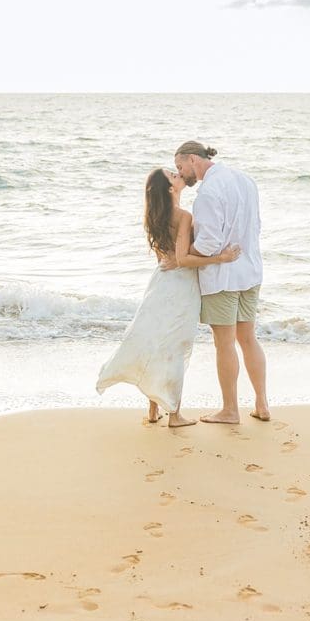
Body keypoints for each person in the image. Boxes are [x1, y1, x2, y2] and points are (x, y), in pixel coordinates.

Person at [96, 167, 241, 427]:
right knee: (175, 347)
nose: (178, 175)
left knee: (156, 340)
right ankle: (175, 414)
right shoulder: (183, 216)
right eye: (173, 175)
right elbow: (184, 259)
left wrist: (178, 258)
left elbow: (171, 257)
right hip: (181, 288)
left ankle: (153, 409)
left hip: (160, 283)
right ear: (170, 188)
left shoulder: (154, 216)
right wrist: (223, 258)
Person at [169, 141, 270, 424]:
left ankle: (230, 410)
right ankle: (262, 403)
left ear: (192, 159)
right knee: (248, 339)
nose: (181, 173)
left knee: (224, 344)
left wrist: (185, 255)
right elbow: (256, 225)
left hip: (224, 276)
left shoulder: (208, 193)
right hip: (250, 270)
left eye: (180, 167)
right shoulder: (245, 180)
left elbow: (210, 241)